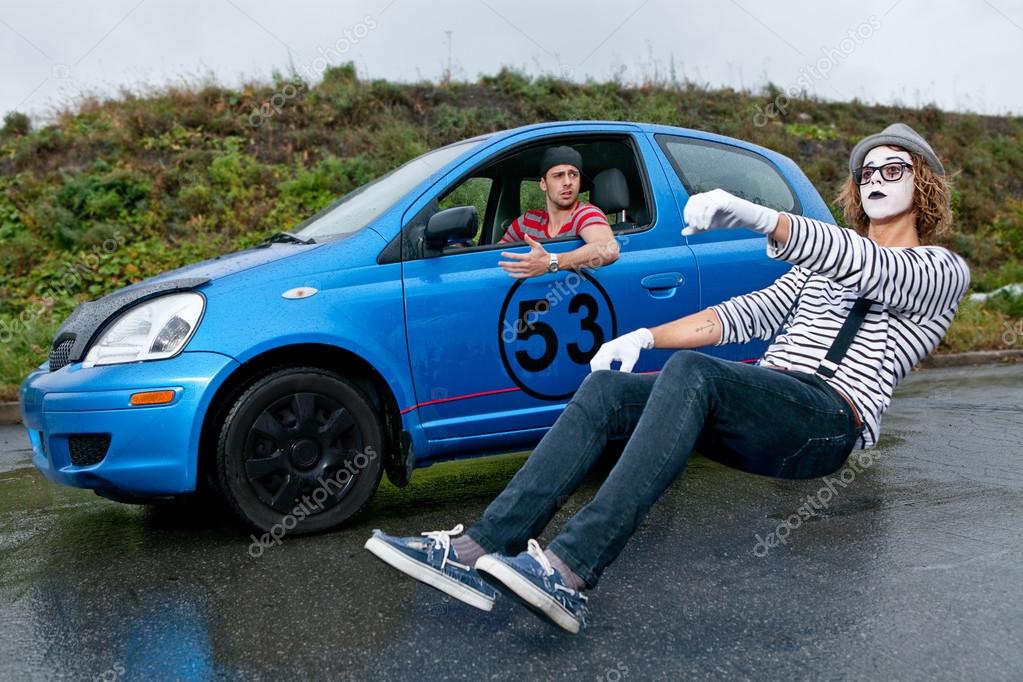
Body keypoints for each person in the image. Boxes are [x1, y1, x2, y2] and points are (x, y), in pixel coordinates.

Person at [364, 123, 970, 634]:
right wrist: (644, 337)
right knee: (609, 390)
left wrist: (762, 217)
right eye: (867, 173)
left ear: (924, 187)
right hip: (766, 404)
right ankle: (479, 548)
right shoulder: (821, 270)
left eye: (893, 170)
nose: (875, 181)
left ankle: (570, 570)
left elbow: (864, 263)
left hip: (827, 420)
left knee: (695, 373)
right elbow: (739, 315)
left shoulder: (940, 271)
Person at [497, 146, 619, 279]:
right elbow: (494, 255)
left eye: (573, 175)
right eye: (558, 175)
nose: (567, 182)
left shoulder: (586, 214)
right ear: (543, 184)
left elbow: (609, 249)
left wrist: (551, 262)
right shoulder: (528, 221)